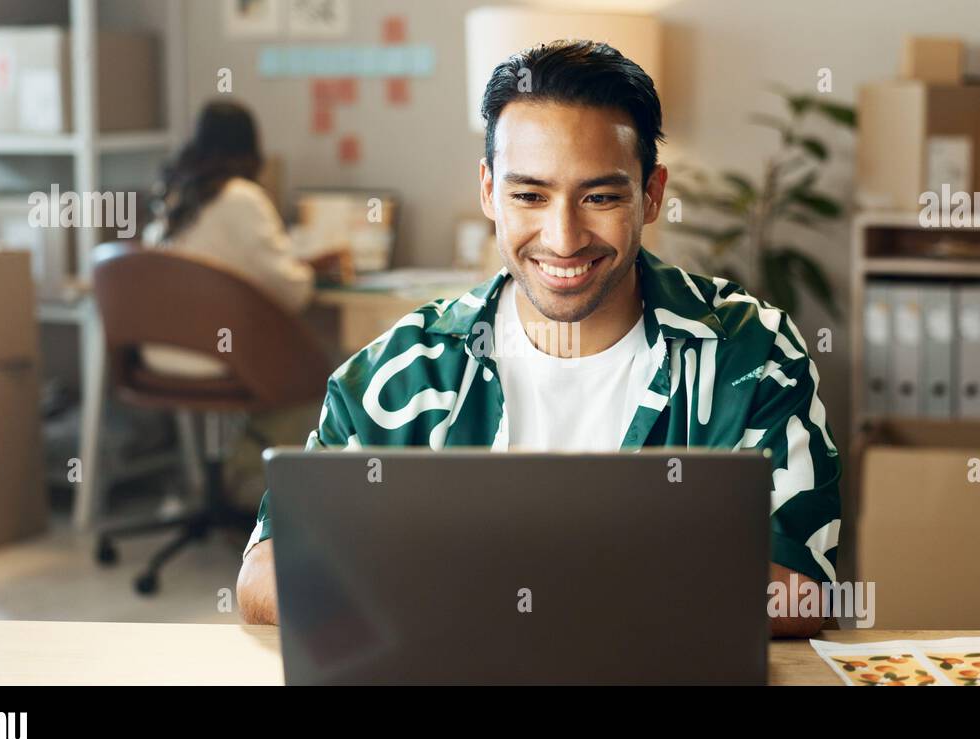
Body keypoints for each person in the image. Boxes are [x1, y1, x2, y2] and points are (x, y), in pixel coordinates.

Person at [237, 40, 840, 638]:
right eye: (529, 195)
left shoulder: (753, 353)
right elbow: (263, 574)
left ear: (651, 194)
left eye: (599, 197)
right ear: (488, 191)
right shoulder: (403, 368)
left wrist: (522, 594)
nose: (564, 238)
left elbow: (804, 591)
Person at [141, 100, 313, 377]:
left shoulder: (171, 194)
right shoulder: (242, 197)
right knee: (320, 370)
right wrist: (308, 271)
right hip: (222, 355)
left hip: (160, 351)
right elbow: (291, 292)